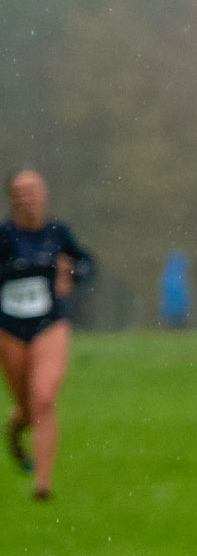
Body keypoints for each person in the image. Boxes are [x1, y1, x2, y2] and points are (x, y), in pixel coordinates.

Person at [1, 169, 91, 501]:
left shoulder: (57, 232)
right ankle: (13, 433)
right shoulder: (4, 237)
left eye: (33, 189)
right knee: (26, 408)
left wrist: (73, 273)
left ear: (44, 193)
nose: (28, 196)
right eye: (21, 191)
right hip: (10, 327)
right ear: (12, 197)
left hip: (49, 324)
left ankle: (42, 484)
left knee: (43, 398)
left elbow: (87, 265)